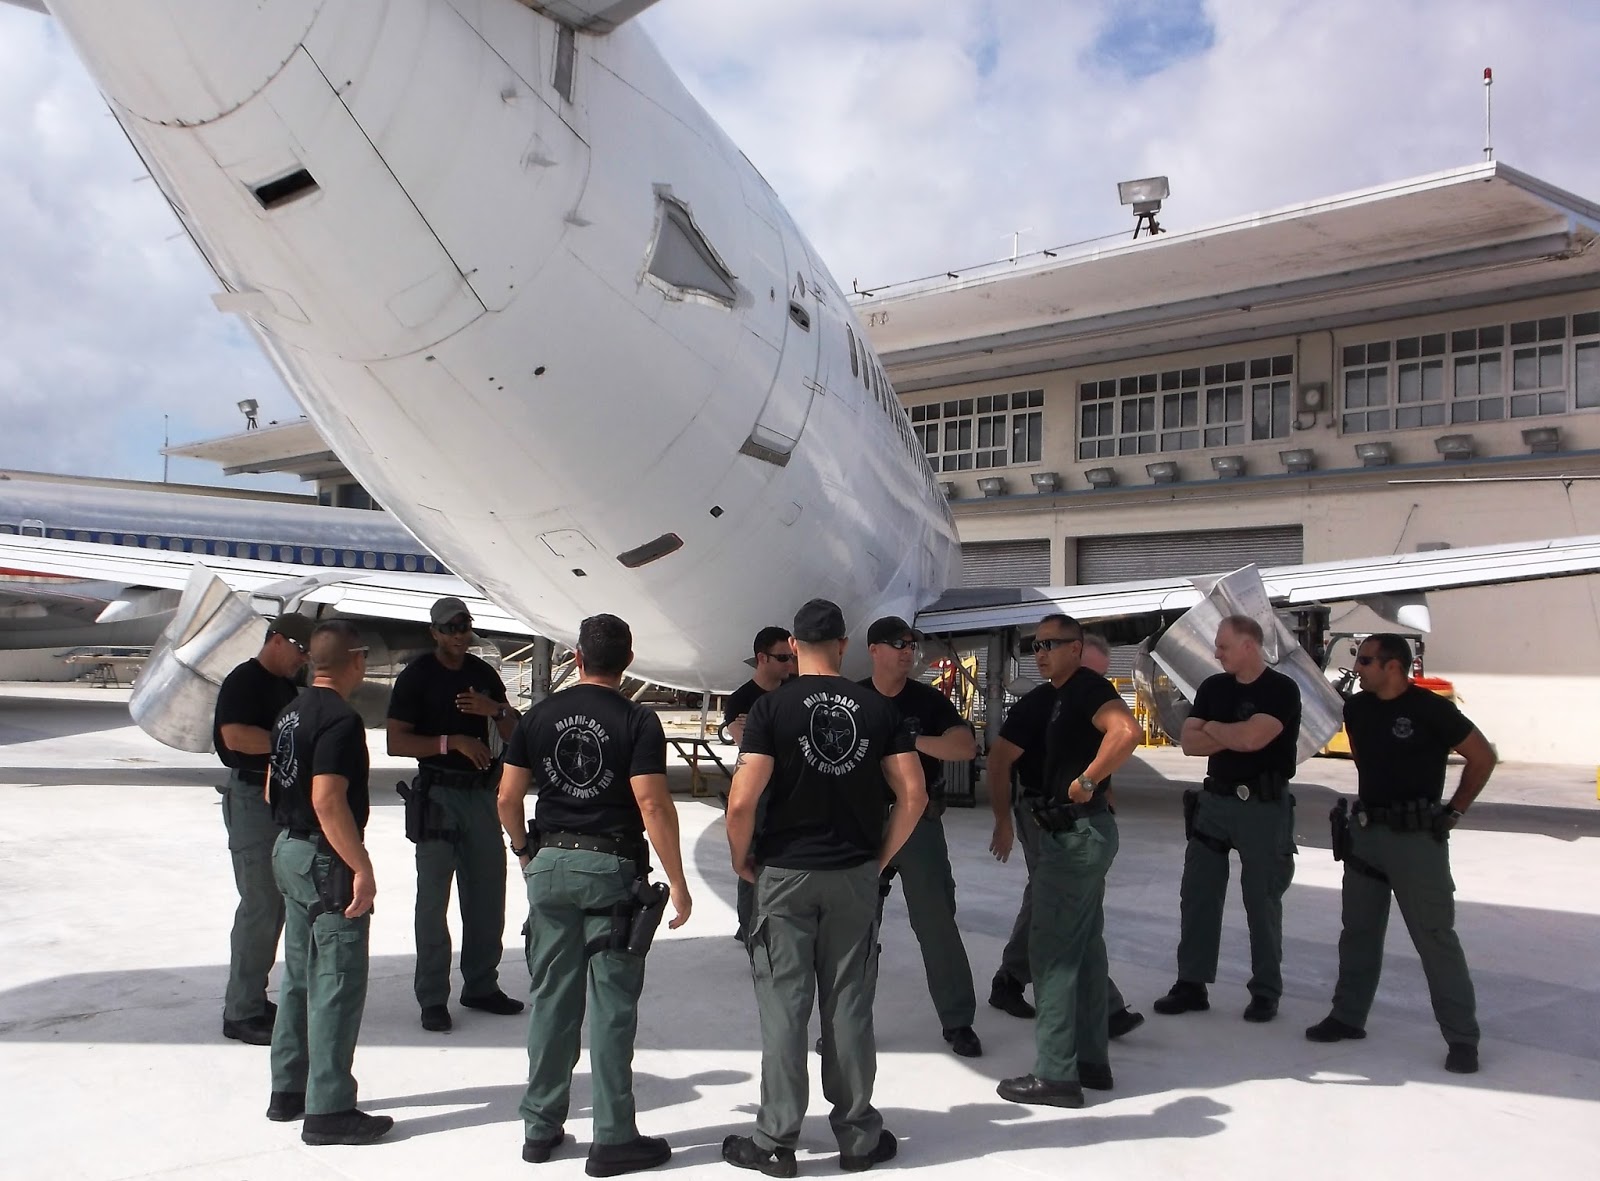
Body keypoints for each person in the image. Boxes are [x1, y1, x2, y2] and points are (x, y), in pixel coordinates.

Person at [722, 599, 926, 1176]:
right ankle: (858, 1135)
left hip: (786, 873)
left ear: (794, 642)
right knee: (849, 1005)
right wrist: (879, 859)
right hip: (854, 875)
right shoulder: (877, 708)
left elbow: (742, 799)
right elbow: (913, 795)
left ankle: (776, 1138)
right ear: (844, 644)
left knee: (785, 1007)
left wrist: (743, 860)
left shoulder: (770, 708)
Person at [497, 613, 691, 1175]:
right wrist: (677, 881)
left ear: (577, 658)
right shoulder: (636, 721)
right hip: (610, 869)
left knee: (552, 1000)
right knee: (611, 1008)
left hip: (551, 864)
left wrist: (525, 853)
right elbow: (652, 805)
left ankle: (540, 1126)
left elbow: (508, 798)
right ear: (627, 662)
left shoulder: (538, 717)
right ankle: (612, 1136)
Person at [1306, 633, 1496, 1074]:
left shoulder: (1431, 710)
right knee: (1358, 931)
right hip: (1367, 834)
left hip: (1416, 841)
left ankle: (1462, 1038)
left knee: (1434, 936)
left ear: (1393, 666)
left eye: (1367, 660)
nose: (1360, 668)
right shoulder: (1357, 708)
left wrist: (1453, 812)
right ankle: (1348, 1016)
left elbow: (1482, 757)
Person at [996, 615, 1141, 1109]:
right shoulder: (1059, 695)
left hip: (1073, 835)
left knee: (1053, 954)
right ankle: (1091, 1062)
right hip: (1074, 834)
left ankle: (1056, 1074)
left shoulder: (1086, 689)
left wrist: (1087, 781)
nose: (1040, 653)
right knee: (1085, 947)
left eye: (1051, 645)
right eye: (1035, 646)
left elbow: (1126, 732)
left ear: (1077, 648)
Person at [265, 620, 392, 1145]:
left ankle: (288, 1089)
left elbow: (274, 786)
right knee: (337, 981)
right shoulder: (341, 719)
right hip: (324, 857)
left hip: (289, 852)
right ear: (356, 660)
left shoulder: (289, 713)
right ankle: (330, 1109)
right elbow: (327, 798)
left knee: (298, 974)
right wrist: (359, 865)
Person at [1156, 614, 1302, 1023]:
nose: (1216, 653)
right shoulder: (1212, 687)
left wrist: (1215, 729)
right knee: (1199, 894)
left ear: (1249, 646)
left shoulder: (1280, 690)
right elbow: (1188, 743)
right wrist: (1232, 732)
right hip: (1215, 803)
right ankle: (1191, 983)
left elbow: (1255, 739)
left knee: (1262, 899)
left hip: (1263, 808)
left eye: (1223, 646)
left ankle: (1265, 991)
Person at [387, 595, 523, 1032]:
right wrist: (452, 742)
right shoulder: (417, 677)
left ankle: (481, 985)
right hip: (438, 797)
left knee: (487, 895)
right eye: (451, 629)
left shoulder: (483, 675)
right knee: (433, 902)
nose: (460, 635)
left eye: (465, 627)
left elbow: (515, 732)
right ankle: (432, 996)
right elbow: (397, 742)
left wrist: (495, 709)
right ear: (435, 633)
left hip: (481, 797)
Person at [858, 615, 982, 1058]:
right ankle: (849, 1023)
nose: (908, 651)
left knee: (936, 922)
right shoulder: (851, 699)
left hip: (918, 824)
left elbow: (964, 747)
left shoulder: (927, 701)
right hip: (863, 825)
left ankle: (958, 1020)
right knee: (854, 928)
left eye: (912, 643)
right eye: (897, 643)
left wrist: (908, 741)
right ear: (873, 649)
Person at [212, 611, 312, 1045]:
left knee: (276, 908)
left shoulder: (284, 686)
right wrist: (290, 742)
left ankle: (253, 997)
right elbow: (234, 737)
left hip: (278, 801)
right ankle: (241, 1012)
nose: (302, 660)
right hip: (253, 800)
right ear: (276, 640)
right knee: (259, 906)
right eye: (299, 650)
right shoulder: (245, 681)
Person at [721, 626, 797, 941]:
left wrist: (759, 729)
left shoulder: (794, 690)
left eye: (792, 658)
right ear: (761, 658)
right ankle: (749, 926)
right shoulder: (741, 698)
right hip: (758, 792)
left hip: (792, 789)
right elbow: (747, 747)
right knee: (752, 860)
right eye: (782, 659)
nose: (790, 666)